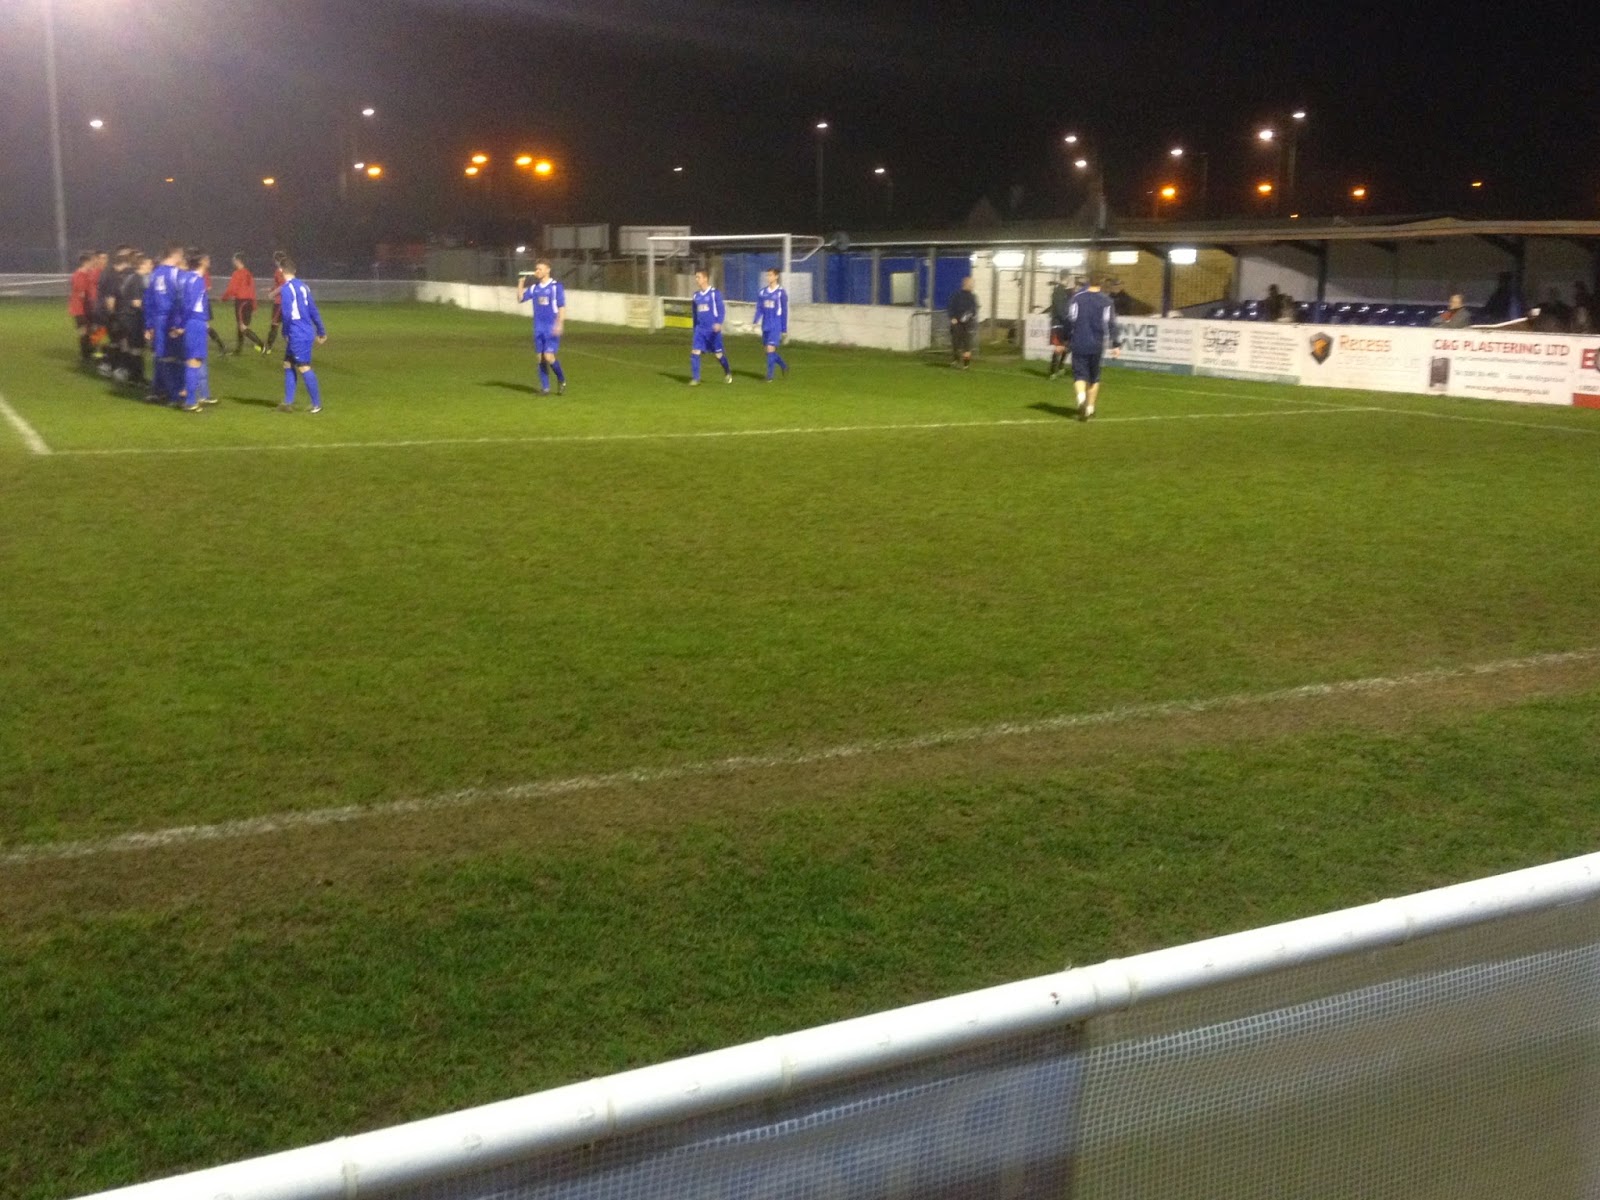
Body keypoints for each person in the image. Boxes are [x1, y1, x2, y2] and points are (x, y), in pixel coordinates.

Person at [1066, 275, 1122, 421]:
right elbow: (1110, 323)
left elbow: (1070, 319)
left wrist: (1066, 338)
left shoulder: (1077, 298)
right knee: (1094, 378)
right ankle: (1090, 408)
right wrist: (1115, 344)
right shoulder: (1107, 301)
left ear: (1088, 282)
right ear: (1102, 284)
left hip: (1079, 341)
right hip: (1097, 344)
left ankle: (1081, 397)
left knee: (1079, 374)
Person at [276, 257, 327, 412]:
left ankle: (316, 404)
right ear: (295, 271)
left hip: (297, 333)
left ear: (281, 271)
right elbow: (313, 310)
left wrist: (285, 331)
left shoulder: (285, 289)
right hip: (305, 331)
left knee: (303, 366)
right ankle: (287, 402)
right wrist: (321, 330)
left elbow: (286, 314)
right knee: (288, 363)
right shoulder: (304, 287)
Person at [170, 249, 216, 411]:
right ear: (201, 261)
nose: (209, 259)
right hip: (194, 322)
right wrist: (182, 326)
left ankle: (189, 394)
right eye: (206, 257)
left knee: (195, 361)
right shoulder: (197, 280)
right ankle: (190, 401)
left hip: (191, 322)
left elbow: (178, 303)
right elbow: (190, 306)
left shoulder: (185, 278)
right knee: (194, 361)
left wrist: (177, 324)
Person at [142, 244, 184, 404]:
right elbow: (180, 300)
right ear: (176, 254)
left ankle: (158, 390)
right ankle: (175, 394)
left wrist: (148, 325)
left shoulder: (155, 273)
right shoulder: (176, 274)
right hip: (172, 319)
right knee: (174, 357)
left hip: (158, 320)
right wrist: (178, 323)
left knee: (160, 356)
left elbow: (148, 301)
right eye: (181, 255)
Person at [518, 258, 567, 395]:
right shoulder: (534, 288)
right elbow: (520, 298)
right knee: (540, 358)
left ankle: (561, 379)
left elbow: (561, 306)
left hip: (551, 327)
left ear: (547, 270)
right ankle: (545, 388)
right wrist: (521, 282)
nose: (537, 271)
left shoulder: (556, 287)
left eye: (540, 269)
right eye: (536, 269)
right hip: (538, 327)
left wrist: (560, 323)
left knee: (549, 356)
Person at [688, 267, 732, 385]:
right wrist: (695, 328)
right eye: (696, 277)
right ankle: (695, 378)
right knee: (695, 351)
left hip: (712, 330)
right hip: (700, 329)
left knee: (718, 354)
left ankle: (727, 372)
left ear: (705, 278)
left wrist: (719, 323)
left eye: (699, 277)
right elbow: (695, 313)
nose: (697, 280)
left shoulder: (714, 293)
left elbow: (721, 310)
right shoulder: (696, 296)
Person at [114, 253, 152, 388]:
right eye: (149, 264)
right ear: (141, 265)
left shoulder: (135, 278)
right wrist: (151, 311)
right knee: (136, 349)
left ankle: (133, 376)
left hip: (131, 318)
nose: (151, 266)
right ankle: (136, 378)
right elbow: (136, 303)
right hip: (132, 319)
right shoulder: (137, 279)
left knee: (135, 348)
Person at [221, 254, 265, 353]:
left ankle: (262, 345)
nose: (233, 262)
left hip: (241, 303)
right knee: (240, 326)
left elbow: (231, 289)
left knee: (243, 328)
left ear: (238, 261)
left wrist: (224, 298)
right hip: (248, 302)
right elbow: (252, 290)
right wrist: (254, 305)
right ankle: (238, 350)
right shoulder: (248, 273)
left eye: (234, 260)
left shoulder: (237, 273)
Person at [753, 268, 788, 381]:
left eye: (771, 275)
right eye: (768, 275)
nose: (769, 278)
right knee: (768, 352)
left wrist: (784, 328)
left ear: (776, 277)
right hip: (765, 325)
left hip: (775, 325)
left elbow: (784, 311)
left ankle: (769, 376)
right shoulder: (763, 292)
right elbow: (760, 308)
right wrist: (755, 320)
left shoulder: (780, 293)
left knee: (770, 349)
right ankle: (783, 365)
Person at [68, 250, 103, 364]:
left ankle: (93, 353)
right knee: (84, 332)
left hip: (89, 308)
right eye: (92, 260)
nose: (94, 262)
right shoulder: (79, 275)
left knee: (96, 330)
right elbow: (83, 295)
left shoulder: (89, 274)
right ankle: (85, 356)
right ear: (85, 262)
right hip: (80, 309)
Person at [1045, 271, 1074, 381]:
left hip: (1065, 323)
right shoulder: (1058, 291)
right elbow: (1061, 310)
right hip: (1059, 324)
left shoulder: (1065, 291)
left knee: (1067, 347)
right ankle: (1052, 372)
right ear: (1066, 278)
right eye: (1070, 278)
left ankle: (1060, 367)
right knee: (1059, 347)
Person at [947, 275, 979, 368]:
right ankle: (955, 360)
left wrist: (969, 315)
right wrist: (952, 318)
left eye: (973, 284)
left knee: (967, 344)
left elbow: (974, 310)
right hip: (956, 323)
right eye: (971, 284)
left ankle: (966, 364)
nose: (972, 285)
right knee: (956, 343)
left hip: (968, 324)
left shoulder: (972, 297)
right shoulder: (957, 295)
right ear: (965, 284)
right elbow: (951, 307)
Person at [264, 250, 288, 352]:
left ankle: (268, 348)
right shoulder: (288, 271)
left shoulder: (279, 271)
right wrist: (271, 289)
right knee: (286, 328)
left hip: (280, 303)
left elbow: (283, 286)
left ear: (277, 260)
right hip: (288, 302)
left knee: (274, 325)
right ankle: (297, 348)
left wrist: (272, 294)